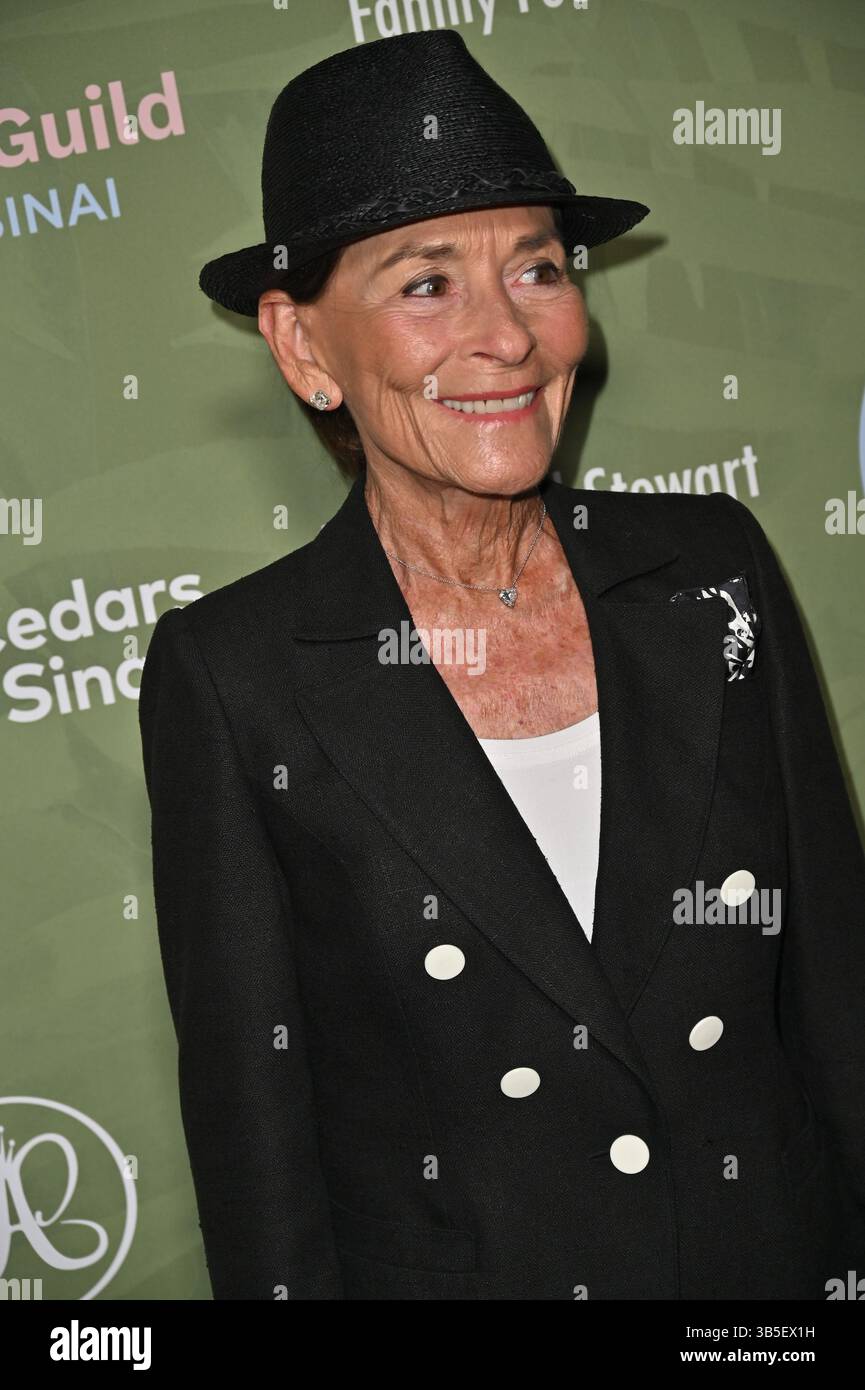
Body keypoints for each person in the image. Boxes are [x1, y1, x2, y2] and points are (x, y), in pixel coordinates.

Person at [139, 29, 865, 1300]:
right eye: (425, 285)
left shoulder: (711, 571)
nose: (507, 339)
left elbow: (841, 996)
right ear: (303, 347)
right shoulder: (233, 670)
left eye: (535, 267)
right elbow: (259, 1138)